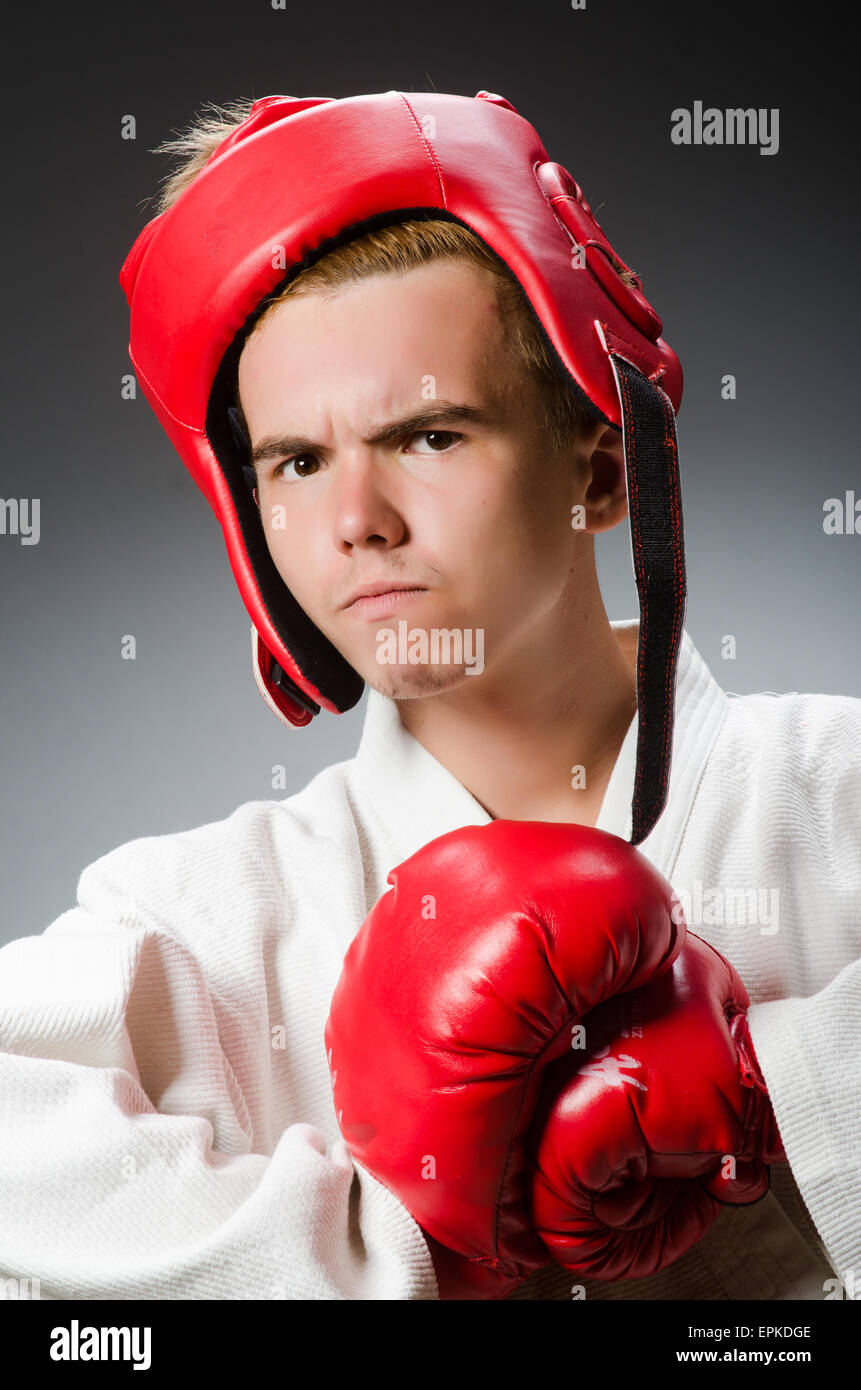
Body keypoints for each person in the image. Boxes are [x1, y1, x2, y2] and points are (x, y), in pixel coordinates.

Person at [0, 88, 858, 1302]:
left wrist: (780, 1094)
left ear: (603, 467)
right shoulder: (201, 925)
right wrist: (407, 1248)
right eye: (298, 462)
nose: (357, 522)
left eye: (429, 436)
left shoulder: (839, 796)